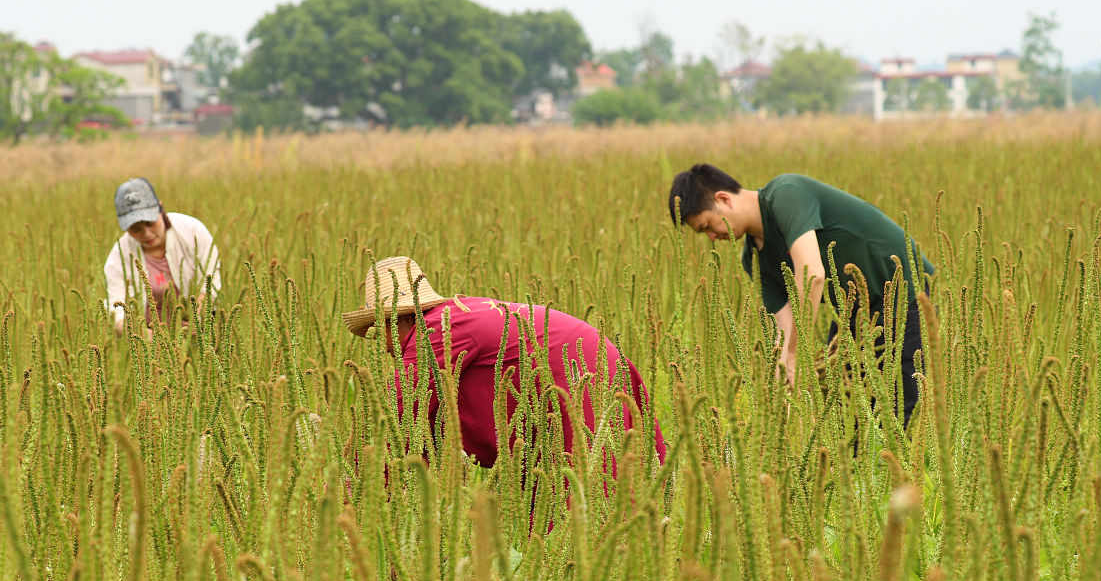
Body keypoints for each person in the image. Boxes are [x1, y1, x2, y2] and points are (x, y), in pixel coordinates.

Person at [667, 165, 935, 427]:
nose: (712, 237)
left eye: (707, 226)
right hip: (853, 309)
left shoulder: (785, 194)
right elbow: (783, 331)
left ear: (723, 199)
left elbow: (812, 276)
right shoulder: (754, 259)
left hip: (906, 289)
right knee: (844, 411)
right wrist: (781, 384)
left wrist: (797, 357)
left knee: (903, 411)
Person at [342, 257, 667, 471]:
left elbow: (387, 417)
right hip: (584, 374)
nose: (381, 346)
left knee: (586, 511)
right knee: (550, 509)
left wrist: (344, 490)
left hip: (584, 381)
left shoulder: (437, 328)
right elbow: (421, 421)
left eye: (377, 331)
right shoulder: (454, 315)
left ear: (397, 320)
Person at [104, 178, 221, 335]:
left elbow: (211, 283)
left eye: (150, 223)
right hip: (148, 336)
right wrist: (149, 337)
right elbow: (115, 312)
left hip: (199, 327)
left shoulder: (193, 231)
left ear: (160, 208)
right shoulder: (119, 256)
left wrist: (194, 320)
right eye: (135, 229)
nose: (146, 234)